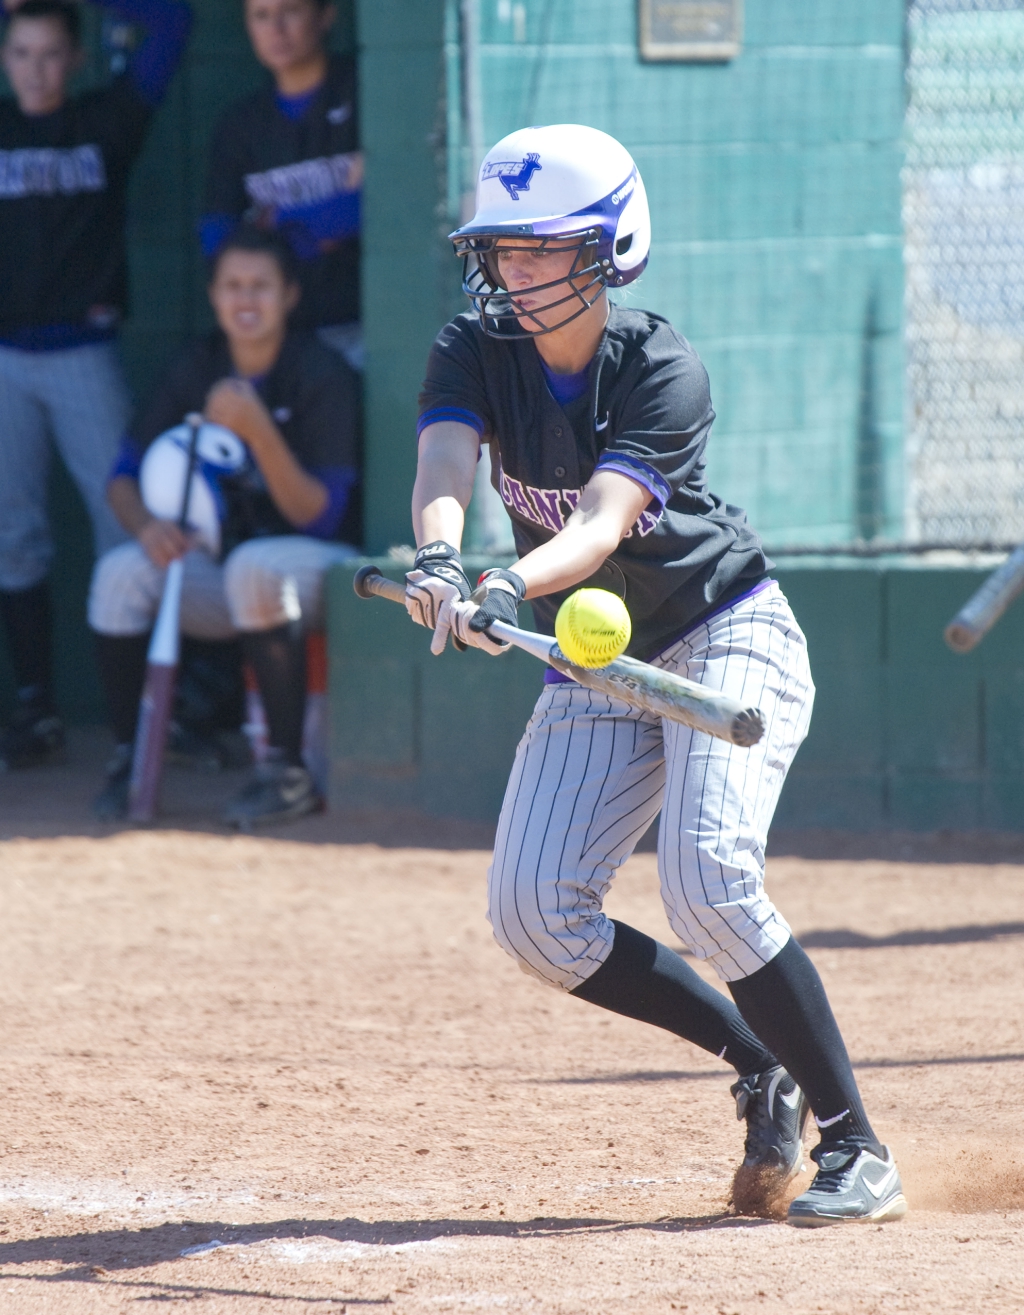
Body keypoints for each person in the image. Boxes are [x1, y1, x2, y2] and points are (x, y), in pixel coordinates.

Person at [404, 124, 907, 1227]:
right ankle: (752, 1060)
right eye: (503, 249)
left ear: (610, 249)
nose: (514, 270)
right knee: (536, 915)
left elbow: (594, 527)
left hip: (724, 631)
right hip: (598, 662)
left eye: (543, 250)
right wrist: (439, 556)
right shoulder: (472, 344)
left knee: (707, 880)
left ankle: (857, 1144)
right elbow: (444, 457)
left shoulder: (661, 366)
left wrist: (501, 583)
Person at [88, 225, 360, 827]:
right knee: (119, 575)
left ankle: (285, 772)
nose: (246, 299)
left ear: (289, 294)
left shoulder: (319, 372)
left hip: (318, 576)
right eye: (232, 285)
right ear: (213, 295)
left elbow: (320, 515)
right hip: (223, 578)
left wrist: (258, 430)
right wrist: (146, 529)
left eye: (261, 286)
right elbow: (121, 477)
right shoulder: (198, 364)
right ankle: (130, 757)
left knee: (255, 569)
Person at [0, 0, 192, 769]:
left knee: (127, 534)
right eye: (21, 53)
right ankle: (35, 706)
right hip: (6, 357)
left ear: (74, 57)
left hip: (85, 350)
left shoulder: (106, 120)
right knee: (12, 538)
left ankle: (145, 714)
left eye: (51, 53)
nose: (37, 69)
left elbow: (171, 23)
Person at [200, 0, 361, 371]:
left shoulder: (363, 91)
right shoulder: (240, 124)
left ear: (325, 15)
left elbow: (375, 208)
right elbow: (216, 238)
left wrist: (272, 221)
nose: (276, 28)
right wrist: (321, 227)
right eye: (261, 15)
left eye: (290, 11)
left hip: (360, 322)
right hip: (277, 334)